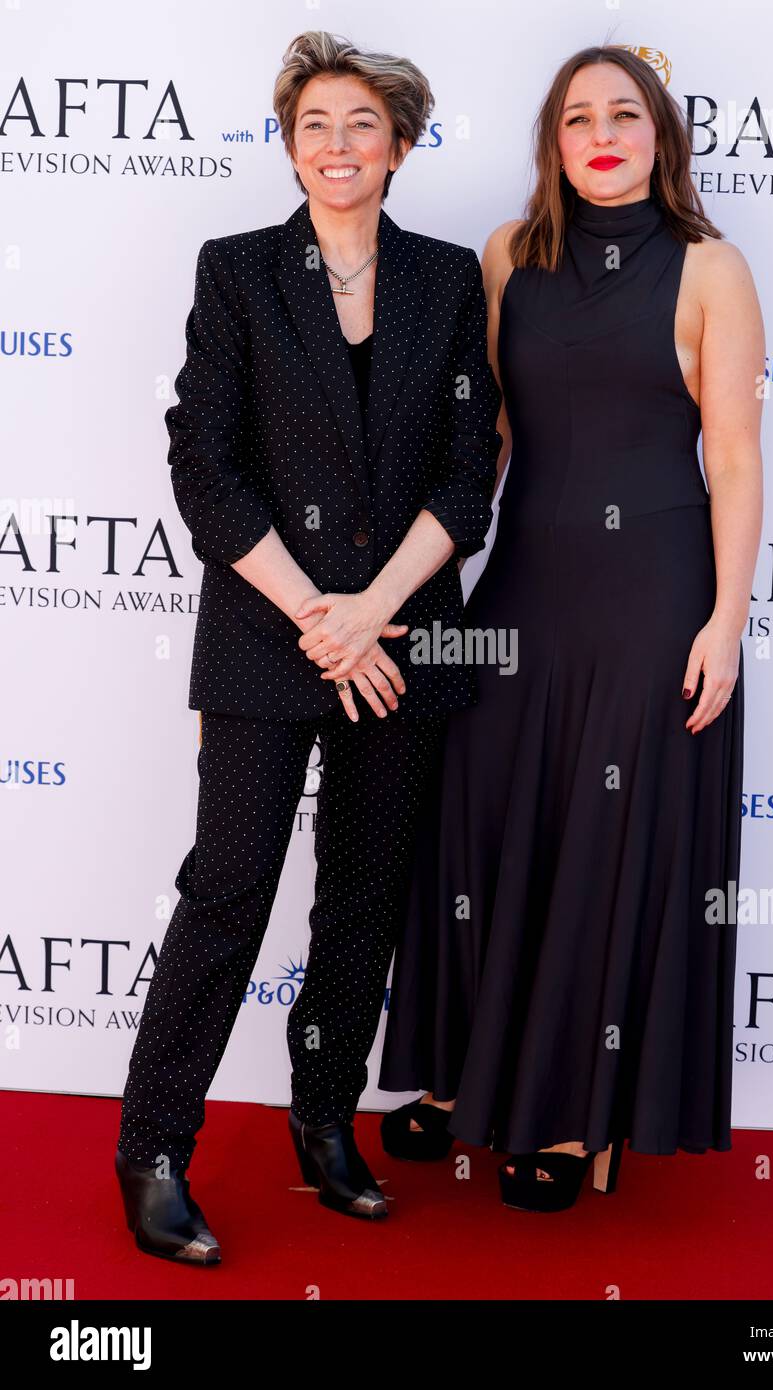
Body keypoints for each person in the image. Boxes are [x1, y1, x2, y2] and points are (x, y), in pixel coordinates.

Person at [115, 29, 501, 1261]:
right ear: (289, 148)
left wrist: (372, 612)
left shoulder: (448, 282)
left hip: (402, 633)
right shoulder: (235, 272)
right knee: (228, 887)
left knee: (362, 897)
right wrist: (318, 618)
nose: (337, 147)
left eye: (361, 125)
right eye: (314, 126)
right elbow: (204, 467)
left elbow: (465, 474)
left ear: (400, 144)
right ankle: (156, 1148)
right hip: (268, 627)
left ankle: (324, 1120)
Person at [379, 45, 764, 1213]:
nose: (603, 134)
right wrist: (404, 577)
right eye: (578, 118)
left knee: (606, 845)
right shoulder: (509, 257)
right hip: (525, 581)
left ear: (662, 137)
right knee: (479, 809)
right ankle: (464, 1075)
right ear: (553, 139)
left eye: (625, 116)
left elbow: (735, 458)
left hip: (652, 592)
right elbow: (485, 439)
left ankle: (568, 1117)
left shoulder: (709, 268)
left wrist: (725, 622)